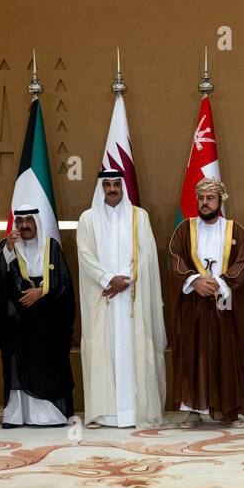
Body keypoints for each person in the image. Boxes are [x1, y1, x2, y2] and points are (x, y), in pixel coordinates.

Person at [76, 169, 167, 429]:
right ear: (101, 188)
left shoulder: (139, 216)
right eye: (108, 185)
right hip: (102, 297)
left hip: (131, 299)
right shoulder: (88, 219)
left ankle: (134, 411)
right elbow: (84, 254)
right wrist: (107, 279)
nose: (113, 189)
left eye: (117, 184)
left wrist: (123, 280)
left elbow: (146, 254)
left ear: (123, 187)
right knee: (103, 350)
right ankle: (105, 413)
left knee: (133, 349)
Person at [168, 178, 244, 428]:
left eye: (210, 198)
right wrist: (195, 281)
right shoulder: (184, 229)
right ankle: (194, 411)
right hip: (193, 303)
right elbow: (175, 258)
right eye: (202, 198)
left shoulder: (235, 231)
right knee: (194, 355)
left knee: (227, 355)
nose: (205, 203)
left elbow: (242, 262)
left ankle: (230, 411)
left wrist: (219, 283)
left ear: (220, 200)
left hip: (224, 306)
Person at [0, 207, 75, 427]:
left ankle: (49, 416)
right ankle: (17, 416)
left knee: (48, 366)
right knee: (16, 367)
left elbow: (64, 282)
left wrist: (42, 291)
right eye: (20, 221)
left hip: (47, 324)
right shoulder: (5, 246)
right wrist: (8, 248)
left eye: (29, 220)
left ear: (37, 223)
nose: (25, 225)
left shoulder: (51, 247)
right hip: (16, 323)